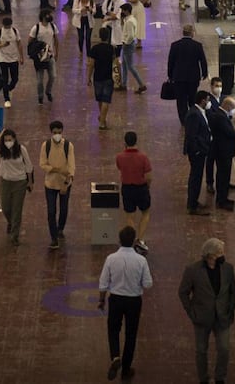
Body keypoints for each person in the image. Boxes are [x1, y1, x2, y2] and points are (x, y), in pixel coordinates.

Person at [178, 238, 235, 384]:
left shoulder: (228, 268)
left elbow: (233, 291)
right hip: (202, 318)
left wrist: (230, 308)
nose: (223, 254)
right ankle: (203, 378)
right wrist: (191, 312)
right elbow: (183, 292)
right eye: (220, 252)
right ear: (211, 255)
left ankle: (220, 378)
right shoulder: (193, 270)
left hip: (223, 317)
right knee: (201, 350)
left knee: (224, 349)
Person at [98, 225, 153, 381]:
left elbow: (103, 283)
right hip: (134, 301)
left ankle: (115, 356)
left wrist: (102, 300)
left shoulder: (111, 258)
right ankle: (126, 369)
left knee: (113, 329)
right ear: (134, 241)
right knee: (131, 334)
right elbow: (148, 283)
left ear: (119, 240)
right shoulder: (141, 260)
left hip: (115, 299)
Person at [0, 129, 32, 245]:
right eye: (6, 140)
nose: (8, 142)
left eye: (10, 140)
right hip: (6, 182)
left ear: (14, 139)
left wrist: (30, 182)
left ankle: (15, 235)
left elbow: (29, 165)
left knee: (17, 210)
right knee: (6, 208)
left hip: (20, 182)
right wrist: (1, 134)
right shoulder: (2, 151)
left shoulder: (21, 149)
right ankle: (10, 222)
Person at [39, 120, 76, 250]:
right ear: (51, 132)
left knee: (64, 209)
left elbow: (71, 167)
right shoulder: (46, 145)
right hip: (50, 183)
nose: (57, 135)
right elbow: (42, 164)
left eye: (59, 132)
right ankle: (54, 238)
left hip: (65, 183)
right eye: (55, 133)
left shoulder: (68, 146)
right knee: (51, 211)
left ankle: (60, 228)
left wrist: (66, 183)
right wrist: (56, 169)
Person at [115, 131, 153, 251]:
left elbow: (120, 168)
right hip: (141, 188)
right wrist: (147, 186)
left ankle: (130, 240)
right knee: (145, 213)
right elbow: (149, 176)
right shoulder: (143, 157)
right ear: (136, 141)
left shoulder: (119, 157)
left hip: (127, 189)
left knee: (129, 216)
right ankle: (140, 240)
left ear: (125, 142)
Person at [168, 25, 209, 122]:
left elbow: (171, 62)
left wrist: (170, 75)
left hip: (179, 77)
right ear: (192, 33)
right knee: (192, 98)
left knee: (181, 100)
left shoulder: (175, 45)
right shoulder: (197, 45)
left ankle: (183, 120)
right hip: (193, 77)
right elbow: (203, 61)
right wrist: (204, 73)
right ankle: (193, 116)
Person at [207, 97, 235, 211]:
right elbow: (229, 132)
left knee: (225, 176)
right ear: (227, 106)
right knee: (222, 176)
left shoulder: (221, 115)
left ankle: (224, 198)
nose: (233, 111)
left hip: (224, 151)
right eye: (233, 108)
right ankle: (221, 201)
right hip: (222, 151)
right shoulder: (220, 117)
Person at [184, 90, 214, 216]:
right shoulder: (194, 114)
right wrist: (197, 150)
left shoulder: (200, 112)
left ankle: (194, 202)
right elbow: (192, 135)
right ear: (202, 101)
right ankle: (192, 205)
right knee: (195, 178)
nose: (209, 103)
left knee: (197, 177)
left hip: (201, 150)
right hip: (197, 152)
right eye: (207, 100)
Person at [88, 26, 117, 130]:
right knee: (106, 100)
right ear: (108, 36)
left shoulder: (94, 49)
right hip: (108, 77)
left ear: (99, 36)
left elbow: (91, 64)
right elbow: (115, 63)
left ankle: (102, 119)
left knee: (100, 99)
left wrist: (88, 77)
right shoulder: (111, 48)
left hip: (97, 77)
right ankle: (102, 121)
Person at [28, 10, 59, 105]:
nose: (49, 16)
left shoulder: (53, 27)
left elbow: (56, 40)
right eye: (47, 14)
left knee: (53, 76)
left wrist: (56, 52)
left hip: (50, 55)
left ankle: (48, 91)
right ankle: (40, 96)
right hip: (39, 57)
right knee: (39, 80)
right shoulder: (36, 28)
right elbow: (30, 41)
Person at [0, 17, 23, 107]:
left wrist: (21, 56)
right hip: (3, 59)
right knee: (4, 79)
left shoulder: (15, 31)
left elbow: (19, 43)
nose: (8, 27)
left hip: (14, 58)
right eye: (6, 26)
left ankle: (8, 88)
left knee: (15, 78)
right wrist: (3, 45)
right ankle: (7, 98)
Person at [120, 3, 146, 94]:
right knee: (124, 64)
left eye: (123, 10)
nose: (122, 12)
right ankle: (123, 84)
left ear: (127, 11)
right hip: (128, 44)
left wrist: (125, 43)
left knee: (130, 66)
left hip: (128, 45)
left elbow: (130, 35)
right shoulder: (130, 19)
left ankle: (141, 85)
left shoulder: (130, 21)